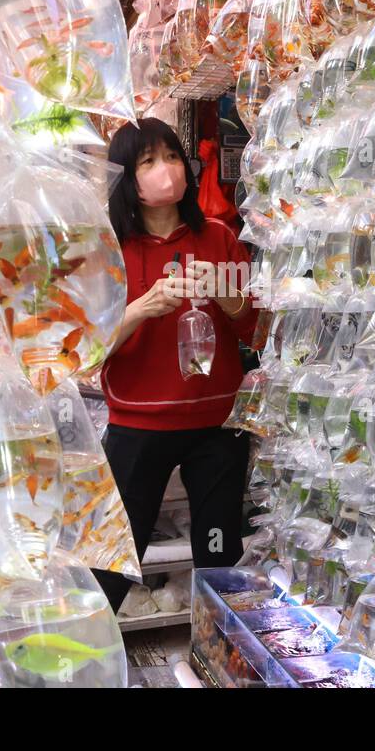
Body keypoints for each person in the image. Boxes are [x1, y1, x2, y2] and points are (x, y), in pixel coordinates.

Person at [94, 118, 257, 613]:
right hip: (137, 423)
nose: (164, 169)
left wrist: (227, 294)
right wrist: (142, 307)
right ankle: (89, 654)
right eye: (148, 161)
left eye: (170, 157)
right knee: (115, 558)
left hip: (216, 424)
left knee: (219, 554)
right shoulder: (110, 250)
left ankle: (217, 650)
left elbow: (251, 328)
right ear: (127, 179)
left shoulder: (220, 240)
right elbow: (89, 345)